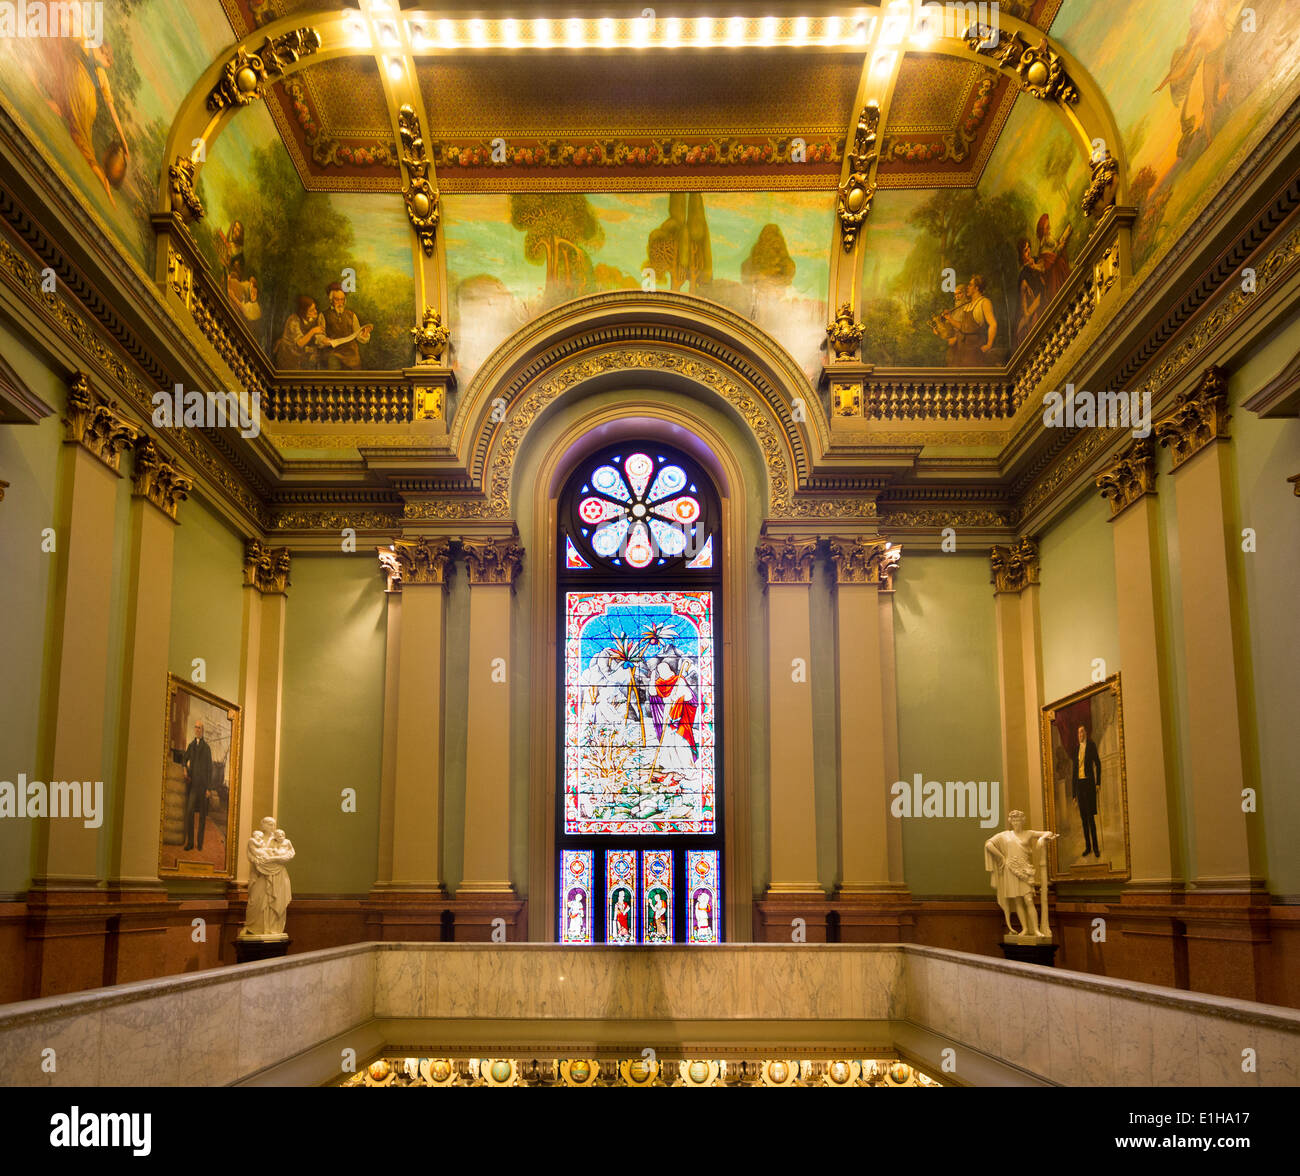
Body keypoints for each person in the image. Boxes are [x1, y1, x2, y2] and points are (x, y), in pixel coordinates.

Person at [984, 810, 1057, 937]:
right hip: (1010, 869)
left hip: (1024, 871)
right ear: (1010, 822)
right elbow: (988, 844)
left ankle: (1035, 930)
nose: (1016, 823)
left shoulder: (1028, 834)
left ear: (1023, 821)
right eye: (1014, 820)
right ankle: (1024, 929)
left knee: (1028, 899)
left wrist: (1042, 838)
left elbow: (1048, 832)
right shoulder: (1004, 835)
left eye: (1018, 820)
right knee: (1018, 901)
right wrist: (1001, 857)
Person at [243, 816, 295, 937]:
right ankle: (253, 927)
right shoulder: (255, 839)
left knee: (275, 901)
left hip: (277, 875)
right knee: (255, 899)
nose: (273, 827)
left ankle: (273, 929)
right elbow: (250, 855)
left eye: (274, 824)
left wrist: (273, 859)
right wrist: (257, 861)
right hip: (260, 873)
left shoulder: (279, 838)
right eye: (270, 824)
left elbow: (289, 854)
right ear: (263, 825)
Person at [318, 282, 373, 371]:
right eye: (337, 300)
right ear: (331, 300)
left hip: (351, 355)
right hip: (333, 353)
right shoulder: (323, 315)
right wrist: (323, 340)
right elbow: (320, 335)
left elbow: (358, 335)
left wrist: (365, 333)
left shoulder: (351, 315)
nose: (340, 303)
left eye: (342, 299)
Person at [181, 719, 213, 851]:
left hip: (204, 786)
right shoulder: (191, 746)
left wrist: (209, 788)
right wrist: (184, 768)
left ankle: (199, 844)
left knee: (202, 816)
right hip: (193, 786)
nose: (197, 730)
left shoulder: (207, 748)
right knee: (189, 812)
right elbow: (184, 758)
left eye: (199, 728)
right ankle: (190, 843)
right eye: (196, 727)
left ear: (203, 730)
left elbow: (210, 769)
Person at [1073, 722, 1103, 858]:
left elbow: (1098, 763)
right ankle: (1088, 847)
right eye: (1079, 733)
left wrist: (1098, 783)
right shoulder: (1076, 749)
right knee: (1083, 819)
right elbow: (1074, 772)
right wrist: (1074, 794)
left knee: (1090, 819)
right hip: (1079, 786)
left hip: (1089, 785)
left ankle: (1096, 848)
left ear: (1086, 733)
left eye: (1082, 732)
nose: (1081, 734)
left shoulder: (1091, 746)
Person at [273, 295, 327, 369]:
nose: (315, 312)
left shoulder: (313, 319)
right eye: (311, 310)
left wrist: (324, 340)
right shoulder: (293, 321)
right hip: (289, 357)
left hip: (302, 356)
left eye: (315, 308)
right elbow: (299, 344)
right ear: (303, 312)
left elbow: (319, 336)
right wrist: (312, 331)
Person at [1013, 238, 1046, 347]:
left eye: (1029, 248)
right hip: (1034, 306)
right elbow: (1024, 303)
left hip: (1043, 298)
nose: (1028, 252)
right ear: (1021, 254)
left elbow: (1043, 269)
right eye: (1025, 251)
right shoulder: (1023, 276)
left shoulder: (1035, 260)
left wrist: (1034, 266)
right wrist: (1027, 314)